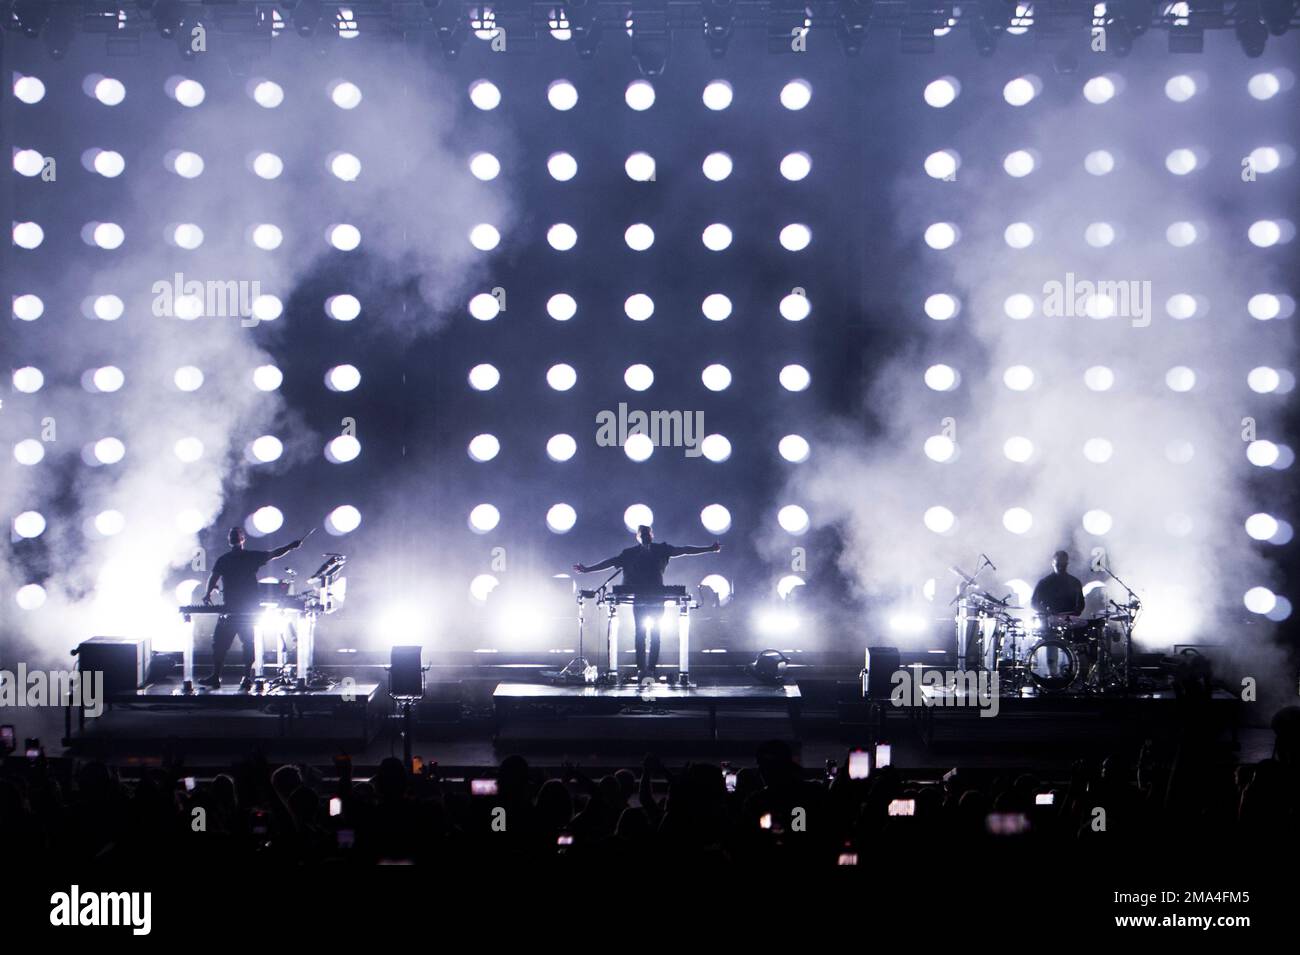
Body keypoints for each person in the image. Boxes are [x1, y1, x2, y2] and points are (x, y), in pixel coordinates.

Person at [573, 525, 720, 682]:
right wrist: (588, 569)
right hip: (640, 597)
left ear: (652, 535)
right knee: (640, 634)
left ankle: (651, 669)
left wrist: (709, 549)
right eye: (642, 534)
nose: (645, 536)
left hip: (656, 596)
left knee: (656, 634)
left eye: (647, 533)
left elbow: (684, 550)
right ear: (637, 537)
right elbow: (610, 562)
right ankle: (641, 669)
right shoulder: (630, 554)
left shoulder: (661, 549)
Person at [199, 527, 302, 689]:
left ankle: (236, 676)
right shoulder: (238, 558)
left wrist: (208, 593)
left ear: (238, 539)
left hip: (239, 608)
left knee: (236, 643)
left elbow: (273, 553)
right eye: (233, 535)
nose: (234, 537)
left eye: (235, 535)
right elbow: (274, 553)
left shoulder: (235, 558)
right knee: (232, 643)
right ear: (238, 539)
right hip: (238, 608)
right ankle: (230, 676)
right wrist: (208, 594)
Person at [1031, 550, 1085, 617]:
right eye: (1058, 564)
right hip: (1049, 621)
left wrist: (1076, 612)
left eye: (1063, 565)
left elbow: (1081, 604)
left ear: (1067, 564)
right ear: (1053, 563)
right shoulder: (1044, 583)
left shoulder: (1075, 582)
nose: (1060, 567)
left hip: (1069, 621)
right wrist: (1045, 611)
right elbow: (1034, 603)